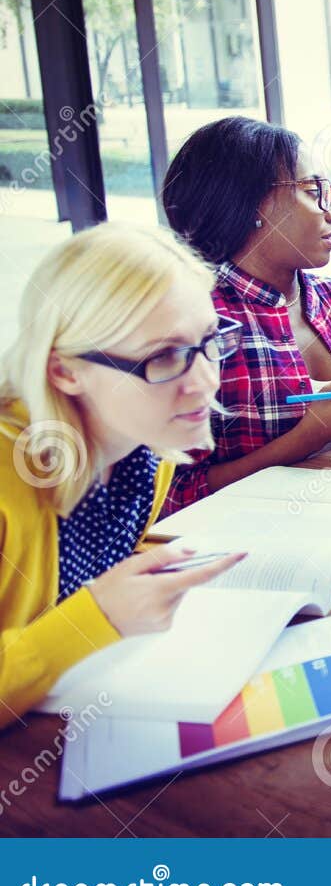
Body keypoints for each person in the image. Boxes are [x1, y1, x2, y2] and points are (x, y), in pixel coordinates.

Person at [0, 224, 244, 724]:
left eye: (209, 341)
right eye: (163, 356)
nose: (205, 381)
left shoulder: (142, 451)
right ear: (66, 371)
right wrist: (95, 620)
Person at [159, 116, 331, 513]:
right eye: (314, 192)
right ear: (250, 204)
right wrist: (307, 437)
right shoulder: (194, 326)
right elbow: (173, 497)